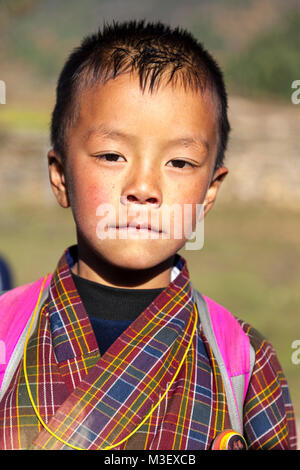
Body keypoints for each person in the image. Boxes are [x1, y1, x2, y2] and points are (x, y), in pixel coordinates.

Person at [0, 20, 297, 450]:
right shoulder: (7, 336)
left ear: (210, 191)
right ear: (61, 175)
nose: (143, 188)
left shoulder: (244, 361)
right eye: (111, 155)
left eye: (179, 163)